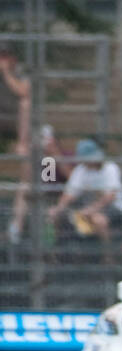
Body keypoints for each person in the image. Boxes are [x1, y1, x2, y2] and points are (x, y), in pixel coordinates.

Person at [46, 139, 122, 260]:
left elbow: (110, 196)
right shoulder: (81, 170)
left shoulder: (111, 168)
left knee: (99, 220)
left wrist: (91, 210)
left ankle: (108, 257)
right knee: (54, 216)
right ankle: (55, 255)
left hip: (114, 208)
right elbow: (69, 194)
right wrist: (58, 208)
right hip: (86, 208)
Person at [0, 43, 32, 243]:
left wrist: (5, 73)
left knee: (40, 174)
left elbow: (24, 93)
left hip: (48, 181)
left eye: (5, 56)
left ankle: (15, 229)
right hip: (4, 122)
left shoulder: (47, 144)